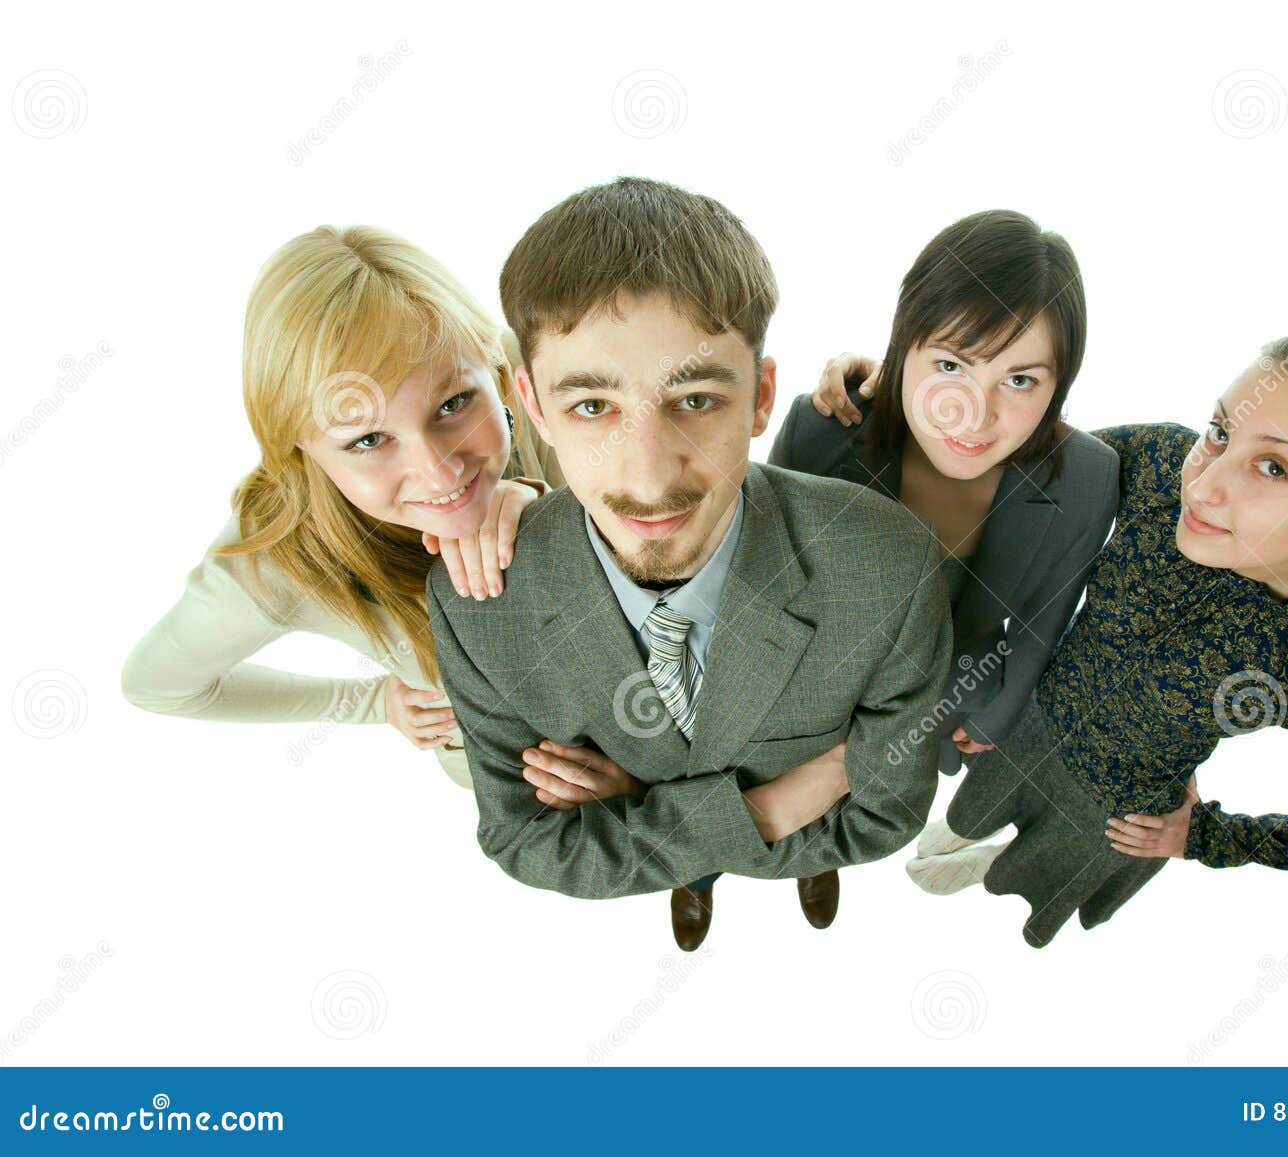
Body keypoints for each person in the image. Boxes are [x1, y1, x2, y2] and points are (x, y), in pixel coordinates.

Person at [839, 294, 1288, 946]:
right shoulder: (1160, 465)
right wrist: (889, 398)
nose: (1207, 482)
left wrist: (1203, 835)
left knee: (998, 901)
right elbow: (1009, 455)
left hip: (1112, 815)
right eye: (1220, 432)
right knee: (939, 841)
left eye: (1271, 467)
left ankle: (992, 893)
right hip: (1020, 727)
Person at [427, 177, 953, 952]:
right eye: (592, 406)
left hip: (808, 834)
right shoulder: (478, 603)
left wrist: (639, 810)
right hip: (793, 816)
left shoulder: (889, 568)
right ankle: (699, 881)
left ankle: (788, 872)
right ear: (532, 407)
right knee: (720, 856)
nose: (647, 479)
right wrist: (763, 814)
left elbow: (882, 815)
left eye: (697, 399)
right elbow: (525, 842)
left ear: (762, 398)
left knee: (815, 851)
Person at [122, 225, 561, 789]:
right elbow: (157, 684)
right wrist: (370, 701)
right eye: (369, 440)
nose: (440, 471)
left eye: (454, 403)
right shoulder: (275, 562)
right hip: (531, 789)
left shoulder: (537, 370)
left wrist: (550, 516)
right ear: (300, 446)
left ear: (497, 373)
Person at [776, 209, 1117, 899]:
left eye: (1021, 380)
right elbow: (766, 588)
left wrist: (989, 714)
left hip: (945, 702)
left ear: (1060, 384)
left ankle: (826, 849)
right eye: (951, 365)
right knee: (786, 804)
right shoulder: (823, 433)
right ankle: (790, 852)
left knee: (859, 810)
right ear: (903, 347)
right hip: (806, 692)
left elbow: (1046, 622)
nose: (974, 412)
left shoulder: (1087, 476)